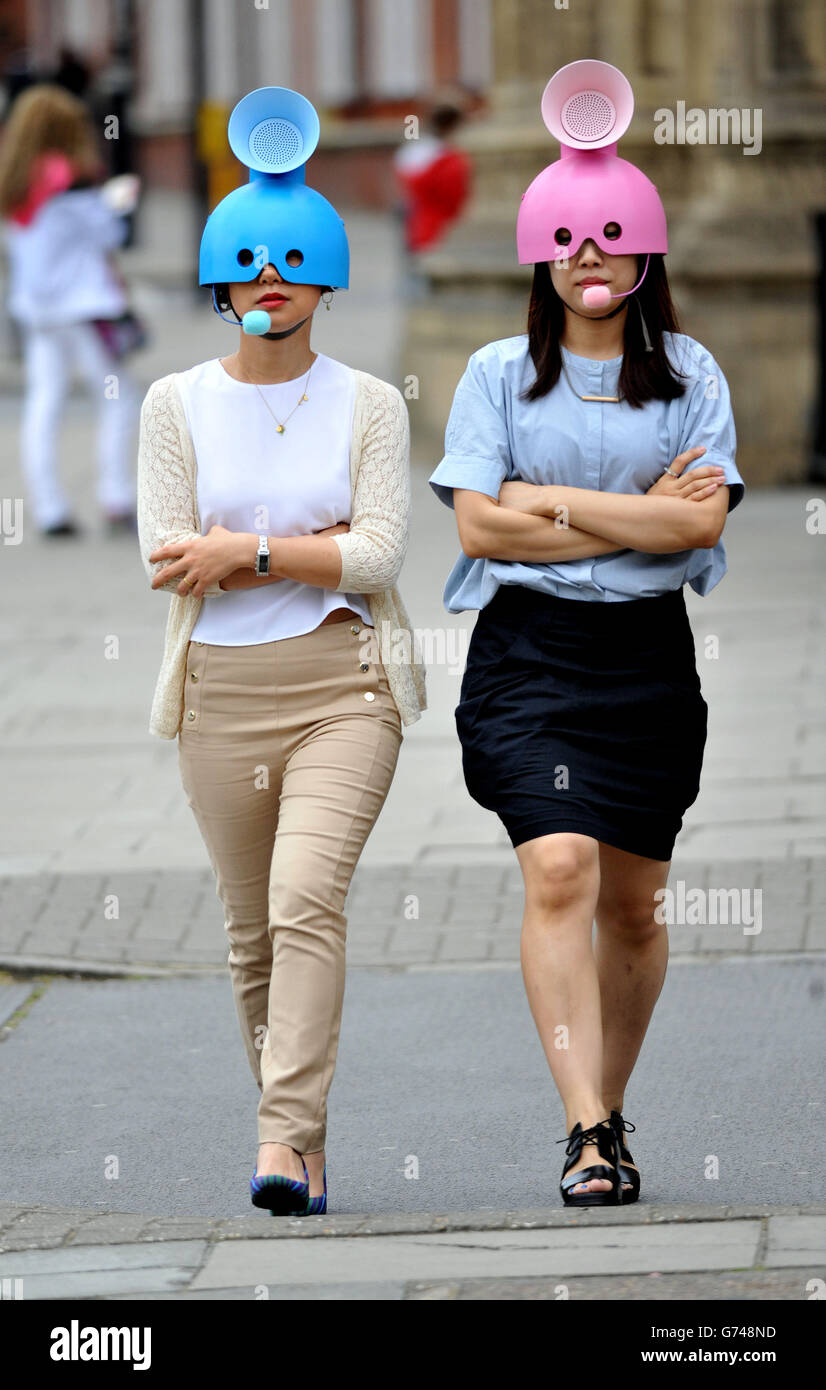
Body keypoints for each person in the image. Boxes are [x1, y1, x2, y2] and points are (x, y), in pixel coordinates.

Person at [428, 60, 745, 1207]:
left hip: (648, 666)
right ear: (540, 252)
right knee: (558, 865)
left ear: (644, 249)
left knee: (634, 903)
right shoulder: (495, 375)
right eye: (569, 239)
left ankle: (608, 1104)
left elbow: (697, 521)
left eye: (610, 237)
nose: (589, 254)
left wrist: (547, 505)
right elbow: (476, 525)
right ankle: (582, 1127)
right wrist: (628, 521)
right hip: (530, 660)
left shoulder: (692, 375)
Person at [137, 87, 426, 1217]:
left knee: (308, 895)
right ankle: (304, 1146)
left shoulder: (366, 404)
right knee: (252, 934)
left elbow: (380, 554)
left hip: (341, 681)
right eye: (251, 265)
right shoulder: (173, 402)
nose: (272, 281)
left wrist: (248, 547)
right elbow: (169, 558)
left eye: (293, 264)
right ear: (222, 279)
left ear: (324, 277)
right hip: (218, 692)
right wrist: (301, 545)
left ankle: (278, 1132)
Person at [0, 82, 141, 536]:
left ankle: (49, 509)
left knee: (45, 402)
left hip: (38, 312)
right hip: (86, 307)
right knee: (119, 401)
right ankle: (117, 497)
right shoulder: (72, 177)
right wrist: (119, 200)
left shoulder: (12, 182)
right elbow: (110, 235)